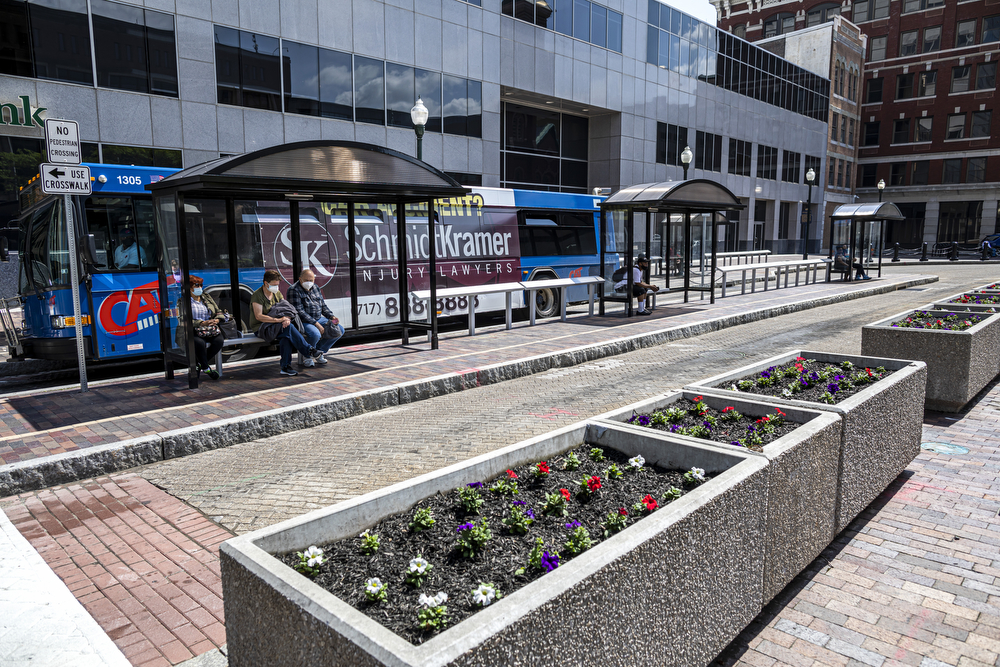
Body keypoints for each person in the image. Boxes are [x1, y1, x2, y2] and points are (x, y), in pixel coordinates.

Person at [250, 269, 320, 376]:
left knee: (286, 335)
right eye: (274, 284)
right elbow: (259, 316)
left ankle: (286, 367)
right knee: (287, 329)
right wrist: (279, 320)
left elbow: (287, 308)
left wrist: (286, 318)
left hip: (278, 326)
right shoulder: (257, 295)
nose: (276, 287)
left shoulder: (276, 293)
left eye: (278, 284)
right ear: (266, 283)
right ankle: (308, 350)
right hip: (262, 327)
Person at [286, 269, 343, 365]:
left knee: (339, 330)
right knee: (315, 334)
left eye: (311, 280)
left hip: (319, 318)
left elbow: (323, 306)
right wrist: (316, 324)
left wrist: (331, 316)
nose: (309, 282)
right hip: (304, 321)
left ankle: (318, 352)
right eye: (306, 280)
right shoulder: (293, 290)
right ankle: (307, 355)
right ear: (300, 279)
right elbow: (299, 312)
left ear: (314, 279)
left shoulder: (315, 287)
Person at [187, 276, 224, 381]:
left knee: (219, 341)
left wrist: (217, 319)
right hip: (195, 329)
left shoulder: (206, 297)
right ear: (189, 287)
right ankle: (206, 368)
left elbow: (218, 311)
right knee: (199, 343)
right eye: (196, 285)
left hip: (210, 329)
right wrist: (201, 323)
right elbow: (183, 319)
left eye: (201, 285)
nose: (200, 287)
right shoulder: (184, 300)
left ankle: (200, 365)